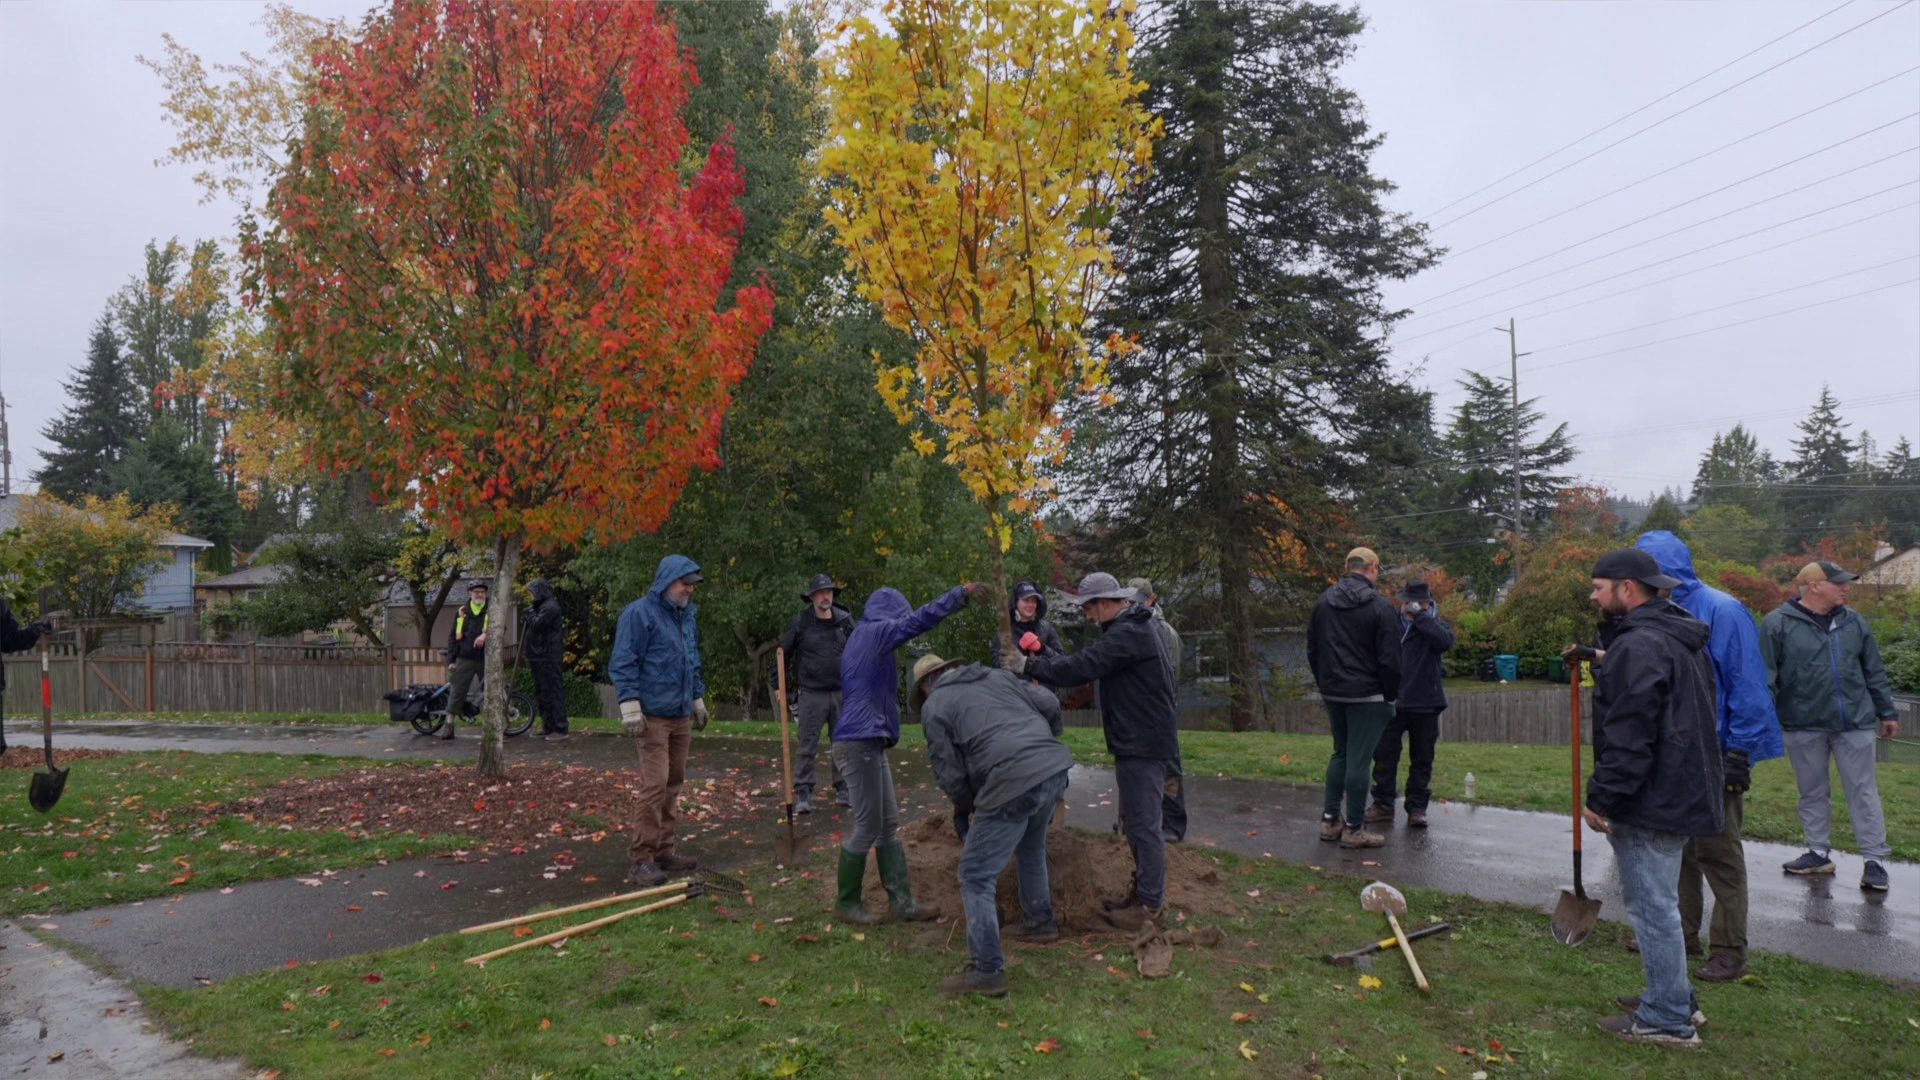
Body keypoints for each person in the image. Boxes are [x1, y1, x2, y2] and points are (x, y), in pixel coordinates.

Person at [1584, 547, 1723, 1049]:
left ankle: (1667, 1019)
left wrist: (1602, 796)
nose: (1594, 597)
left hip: (1653, 797)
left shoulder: (1641, 645)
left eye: (1600, 588)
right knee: (1660, 903)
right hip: (1678, 788)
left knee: (1653, 908)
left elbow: (1631, 733)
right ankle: (1676, 998)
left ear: (1628, 587)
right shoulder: (1674, 636)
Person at [1635, 531, 1785, 980]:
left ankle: (1729, 949)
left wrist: (1740, 750)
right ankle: (1680, 933)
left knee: (1718, 852)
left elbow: (1748, 685)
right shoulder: (1656, 612)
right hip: (1676, 751)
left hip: (1718, 751)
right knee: (1676, 847)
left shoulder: (1723, 610)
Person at [1010, 572, 1178, 919]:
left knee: (1143, 824)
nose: (1087, 616)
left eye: (1088, 609)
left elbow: (1082, 667)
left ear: (1104, 603)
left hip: (1142, 741)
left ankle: (1149, 904)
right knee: (1136, 821)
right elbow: (1085, 661)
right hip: (1139, 738)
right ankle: (1144, 895)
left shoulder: (1128, 633)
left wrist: (1027, 663)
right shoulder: (1134, 625)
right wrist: (1042, 655)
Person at [914, 652, 1074, 997]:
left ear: (926, 687)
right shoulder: (996, 677)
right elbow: (1048, 701)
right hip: (1053, 768)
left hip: (1012, 779)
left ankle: (987, 971)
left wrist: (964, 807)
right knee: (1030, 847)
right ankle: (1039, 922)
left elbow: (949, 772)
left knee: (974, 875)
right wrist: (1047, 740)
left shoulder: (935, 706)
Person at [833, 581, 984, 924]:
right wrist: (959, 595)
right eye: (900, 617)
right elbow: (918, 622)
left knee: (887, 822)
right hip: (857, 741)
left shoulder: (867, 637)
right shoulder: (875, 633)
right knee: (868, 824)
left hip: (870, 739)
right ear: (890, 615)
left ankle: (902, 902)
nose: (902, 624)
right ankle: (846, 903)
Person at [1760, 560, 1900, 893]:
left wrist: (1887, 711)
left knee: (1863, 791)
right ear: (1814, 586)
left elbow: (1874, 670)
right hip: (1802, 723)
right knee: (1812, 791)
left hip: (1855, 722)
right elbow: (1766, 676)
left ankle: (1875, 861)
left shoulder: (1854, 621)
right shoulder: (1777, 623)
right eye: (1839, 583)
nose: (1846, 588)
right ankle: (1818, 852)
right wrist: (1763, 719)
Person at [610, 555, 710, 888]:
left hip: (679, 714)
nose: (690, 589)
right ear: (667, 580)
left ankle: (664, 850)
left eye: (693, 584)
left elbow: (691, 662)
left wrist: (697, 699)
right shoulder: (639, 614)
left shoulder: (686, 617)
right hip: (651, 715)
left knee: (673, 783)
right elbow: (624, 659)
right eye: (685, 583)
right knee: (655, 784)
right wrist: (629, 706)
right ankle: (642, 858)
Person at [1306, 547, 1402, 849]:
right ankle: (1355, 828)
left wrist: (1325, 682)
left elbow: (1313, 649)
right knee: (1359, 760)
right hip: (1369, 694)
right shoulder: (1381, 606)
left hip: (1333, 691)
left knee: (1341, 754)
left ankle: (1330, 819)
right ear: (1373, 568)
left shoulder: (1323, 603)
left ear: (1347, 567)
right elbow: (1390, 658)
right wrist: (1390, 695)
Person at [1367, 578, 1454, 829]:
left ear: (1427, 603)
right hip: (1392, 700)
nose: (1410, 607)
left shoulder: (1436, 623)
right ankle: (1383, 803)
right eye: (1407, 602)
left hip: (1426, 702)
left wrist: (1422, 619)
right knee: (1384, 756)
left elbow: (1445, 642)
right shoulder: (1391, 622)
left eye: (1416, 603)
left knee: (1422, 758)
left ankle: (1417, 807)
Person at [779, 573, 854, 814]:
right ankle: (803, 791)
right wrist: (778, 685)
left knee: (843, 743)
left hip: (840, 692)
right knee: (807, 743)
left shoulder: (844, 621)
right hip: (811, 693)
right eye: (820, 593)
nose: (825, 597)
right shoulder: (801, 622)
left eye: (828, 592)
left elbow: (858, 650)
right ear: (812, 597)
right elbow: (783, 653)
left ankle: (843, 788)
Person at [1129, 577, 1186, 843]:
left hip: (1160, 712)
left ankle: (1173, 825)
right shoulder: (1129, 627)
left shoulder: (1164, 633)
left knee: (1168, 769)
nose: (1135, 603)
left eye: (1140, 598)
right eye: (1130, 598)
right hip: (1135, 712)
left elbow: (1168, 677)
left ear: (1151, 599)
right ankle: (1137, 822)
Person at [441, 580, 491, 741]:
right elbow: (452, 637)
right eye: (477, 591)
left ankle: (493, 727)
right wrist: (451, 659)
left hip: (486, 658)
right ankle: (449, 726)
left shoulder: (492, 610)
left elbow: (500, 628)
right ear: (470, 593)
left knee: (492, 692)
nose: (480, 594)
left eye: (482, 592)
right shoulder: (462, 612)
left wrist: (485, 635)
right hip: (464, 658)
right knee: (457, 691)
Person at [522, 579, 568, 740]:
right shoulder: (541, 607)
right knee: (543, 692)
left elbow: (538, 624)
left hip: (549, 655)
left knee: (553, 691)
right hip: (538, 655)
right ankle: (548, 725)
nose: (531, 596)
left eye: (532, 592)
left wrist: (529, 614)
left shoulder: (550, 607)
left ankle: (560, 727)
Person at [990, 580, 1065, 666]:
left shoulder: (1046, 628)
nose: (1030, 605)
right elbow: (997, 664)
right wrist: (1019, 648)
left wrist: (1042, 648)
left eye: (1034, 601)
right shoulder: (1004, 631)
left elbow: (1062, 662)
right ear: (1015, 602)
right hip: (1015, 675)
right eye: (1026, 600)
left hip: (1042, 675)